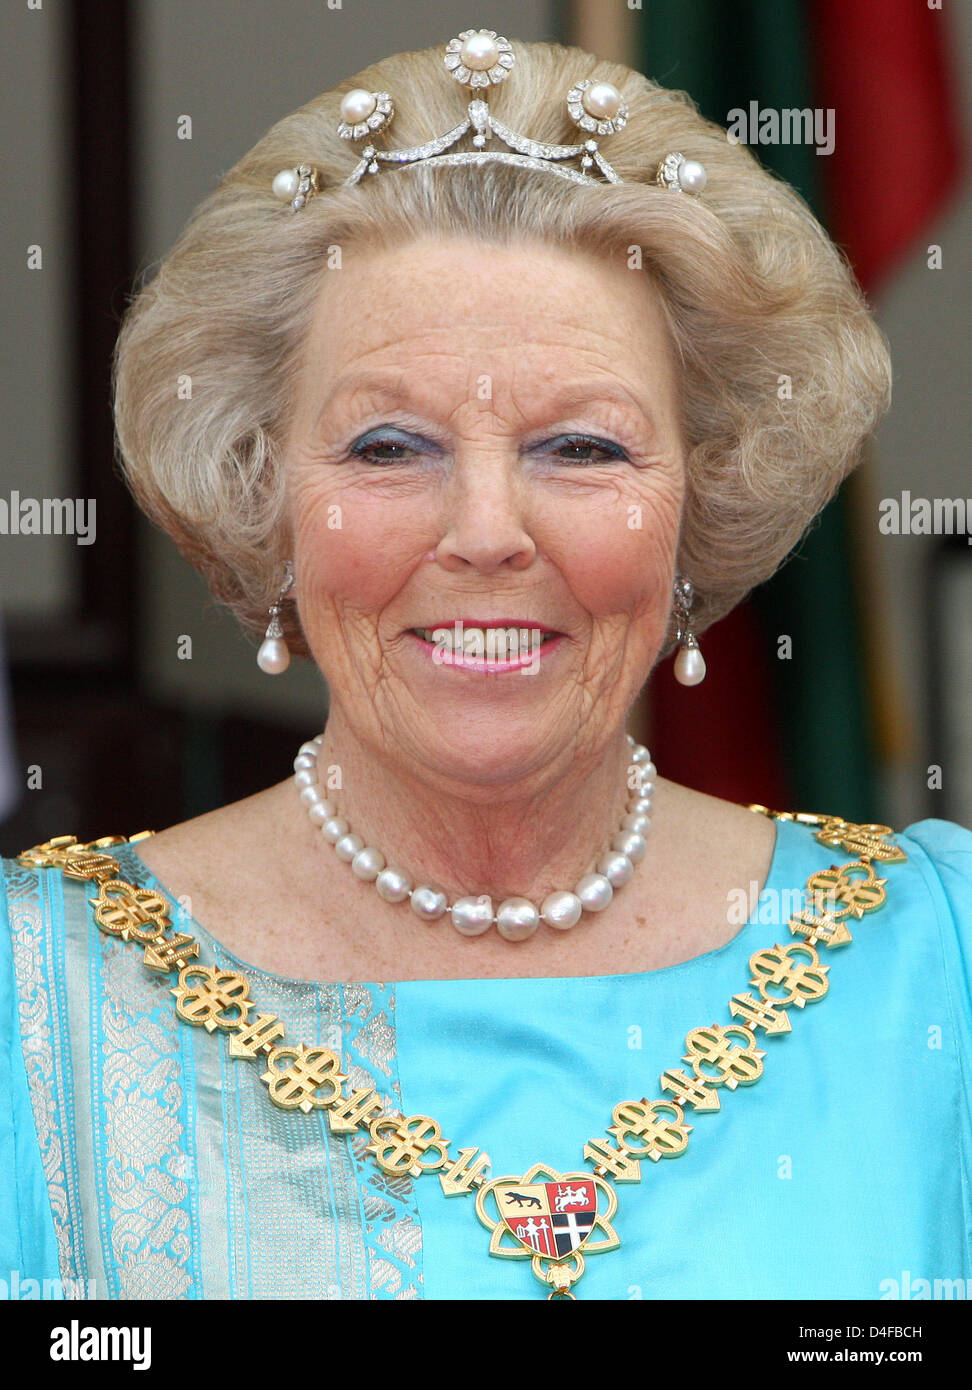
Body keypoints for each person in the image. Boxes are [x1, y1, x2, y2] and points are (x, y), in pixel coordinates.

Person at [2, 28, 969, 1302]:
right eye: (390, 446)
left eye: (584, 448)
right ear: (262, 489)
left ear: (706, 502)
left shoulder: (933, 962)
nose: (487, 534)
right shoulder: (37, 1008)